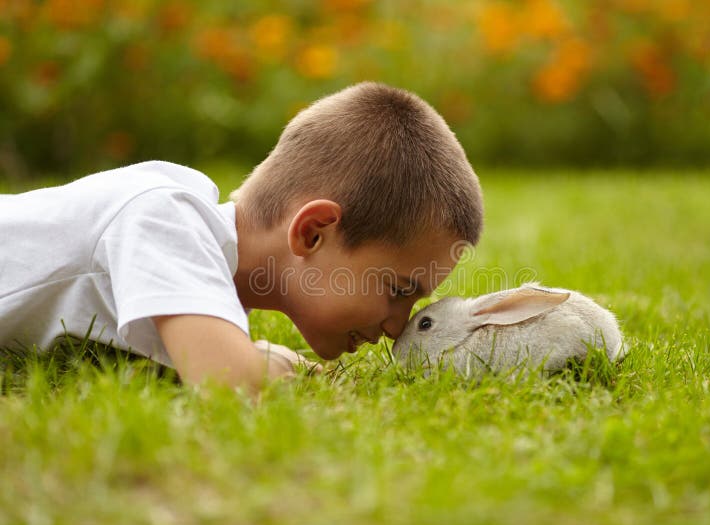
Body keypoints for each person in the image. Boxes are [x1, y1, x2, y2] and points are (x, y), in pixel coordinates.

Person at [0, 82, 484, 395]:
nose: (399, 325)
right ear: (313, 232)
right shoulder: (165, 216)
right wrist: (253, 365)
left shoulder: (206, 280)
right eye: (398, 290)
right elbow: (225, 383)